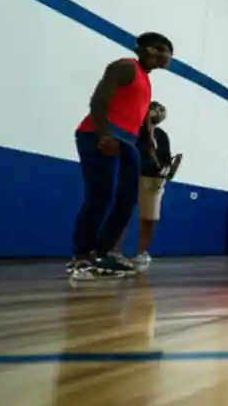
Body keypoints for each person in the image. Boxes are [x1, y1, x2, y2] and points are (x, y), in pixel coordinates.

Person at [68, 32, 173, 279]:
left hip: (128, 142)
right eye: (159, 49)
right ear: (144, 49)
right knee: (100, 197)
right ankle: (81, 257)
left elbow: (142, 117)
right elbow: (99, 100)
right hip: (98, 135)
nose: (165, 55)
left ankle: (104, 253)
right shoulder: (125, 67)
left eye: (168, 52)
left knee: (127, 199)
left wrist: (149, 146)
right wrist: (104, 134)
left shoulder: (146, 81)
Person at [130, 101, 178, 269]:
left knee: (149, 218)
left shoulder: (161, 135)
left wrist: (164, 171)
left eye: (161, 110)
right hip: (130, 174)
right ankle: (111, 251)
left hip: (152, 179)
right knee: (120, 212)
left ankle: (141, 252)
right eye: (154, 108)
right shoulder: (133, 130)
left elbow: (165, 159)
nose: (158, 112)